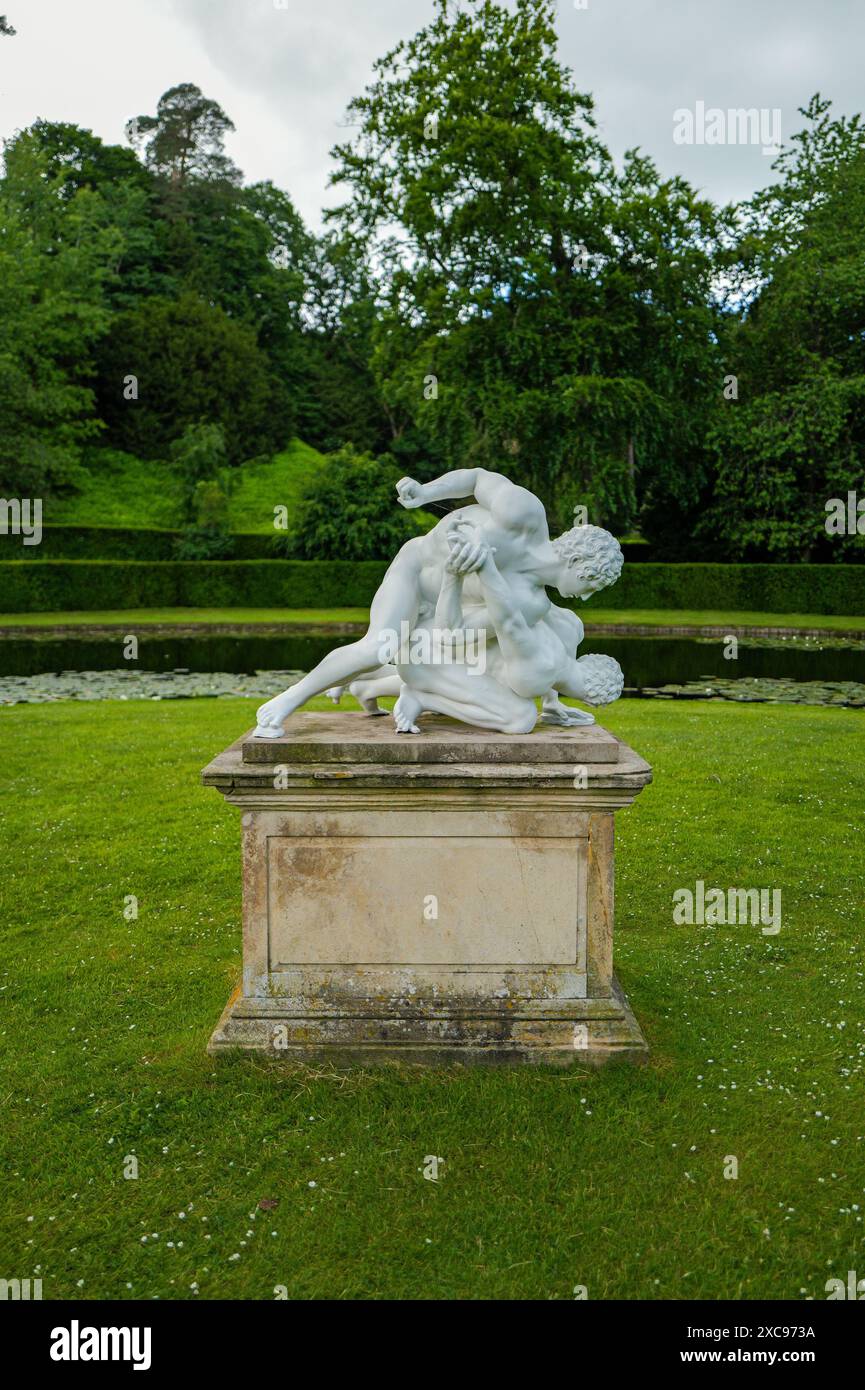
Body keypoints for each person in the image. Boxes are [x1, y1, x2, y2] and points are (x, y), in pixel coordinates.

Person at [253, 466, 622, 737]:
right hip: (413, 572)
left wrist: (552, 701)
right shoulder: (524, 515)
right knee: (377, 648)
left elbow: (456, 635)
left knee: (424, 653)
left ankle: (386, 686)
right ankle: (287, 700)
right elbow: (477, 478)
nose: (587, 595)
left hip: (445, 606)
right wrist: (426, 493)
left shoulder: (531, 603)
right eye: (591, 584)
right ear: (576, 561)